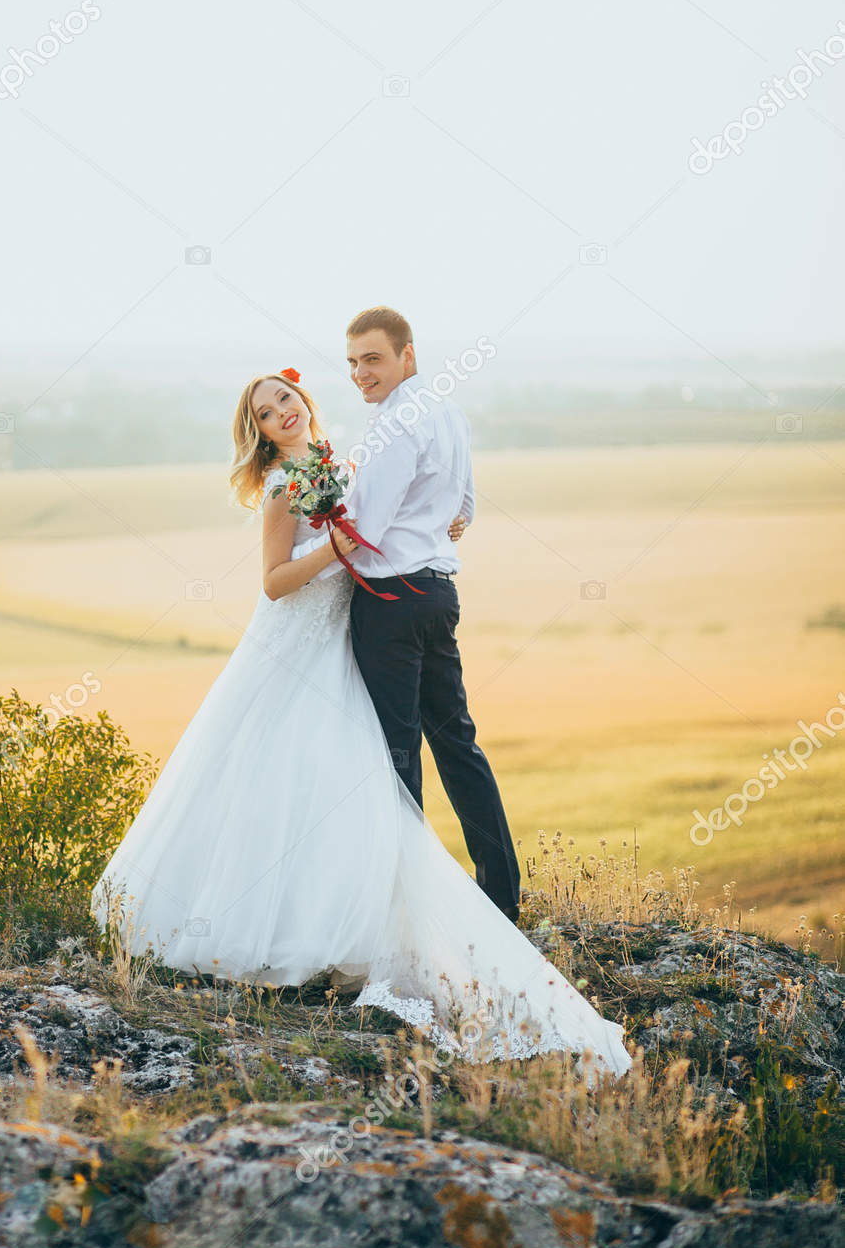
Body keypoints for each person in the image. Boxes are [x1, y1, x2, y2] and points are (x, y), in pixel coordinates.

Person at [90, 365, 630, 1076]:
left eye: (285, 398)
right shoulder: (284, 487)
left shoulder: (340, 467)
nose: (280, 412)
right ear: (258, 432)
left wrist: (446, 521)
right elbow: (273, 583)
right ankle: (256, 930)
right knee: (278, 775)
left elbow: (392, 514)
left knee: (340, 781)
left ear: (304, 402)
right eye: (265, 412)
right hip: (293, 647)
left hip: (343, 646)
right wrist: (334, 550)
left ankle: (348, 929)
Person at [341, 306, 521, 920]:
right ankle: (501, 897)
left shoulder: (392, 425)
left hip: (390, 602)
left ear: (407, 355)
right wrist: (429, 527)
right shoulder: (448, 411)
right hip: (438, 593)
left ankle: (407, 911)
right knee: (458, 745)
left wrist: (317, 531)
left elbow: (364, 531)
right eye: (353, 363)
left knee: (396, 754)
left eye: (373, 359)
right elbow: (464, 509)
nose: (361, 373)